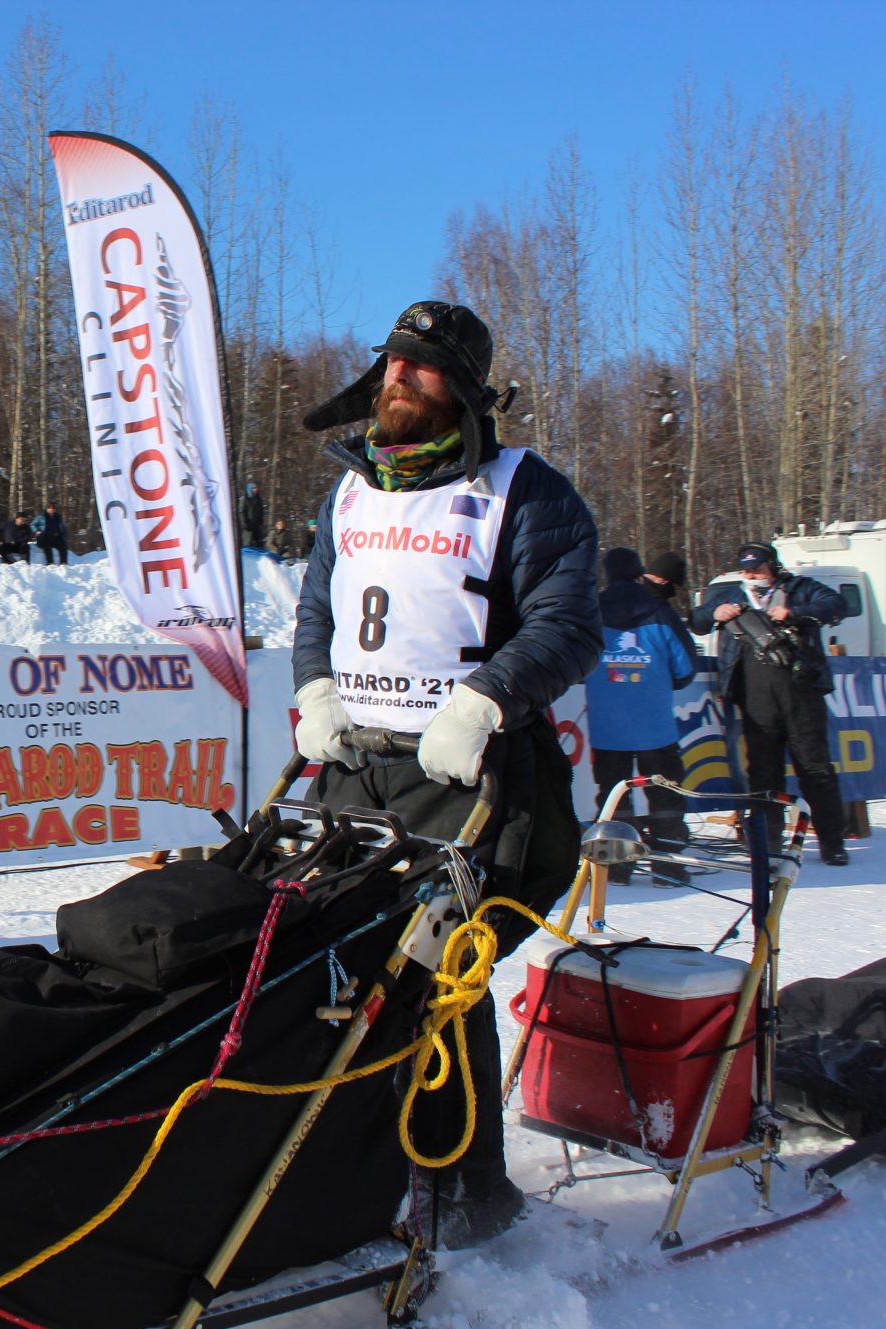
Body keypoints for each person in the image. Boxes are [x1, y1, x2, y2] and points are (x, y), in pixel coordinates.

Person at [292, 299, 600, 1248]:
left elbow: (568, 623)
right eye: (391, 362)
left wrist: (486, 700)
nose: (398, 379)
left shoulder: (528, 491)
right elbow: (318, 608)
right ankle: (345, 1165)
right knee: (327, 963)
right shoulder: (347, 491)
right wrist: (314, 689)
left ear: (464, 390)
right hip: (356, 772)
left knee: (440, 975)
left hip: (467, 776)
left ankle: (468, 1186)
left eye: (422, 368)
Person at [688, 542, 851, 865]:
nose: (752, 576)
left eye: (758, 570)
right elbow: (697, 620)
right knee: (763, 773)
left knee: (815, 767)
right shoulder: (733, 594)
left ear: (772, 568)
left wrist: (796, 612)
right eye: (747, 570)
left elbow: (837, 605)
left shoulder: (800, 588)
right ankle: (767, 841)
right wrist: (714, 613)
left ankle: (833, 842)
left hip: (800, 692)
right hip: (754, 697)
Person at [586, 547, 699, 884]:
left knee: (613, 795)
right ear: (639, 571)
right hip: (655, 725)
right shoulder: (660, 612)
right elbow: (685, 668)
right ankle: (668, 866)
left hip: (607, 725)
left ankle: (616, 867)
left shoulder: (592, 612)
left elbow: (575, 663)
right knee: (664, 794)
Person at [237, 481, 267, 549]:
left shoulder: (259, 500)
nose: (256, 489)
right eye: (253, 488)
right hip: (248, 526)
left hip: (257, 526)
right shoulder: (244, 499)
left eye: (256, 488)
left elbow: (261, 511)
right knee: (247, 544)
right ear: (249, 489)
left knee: (259, 543)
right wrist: (244, 523)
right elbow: (241, 511)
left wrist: (261, 521)